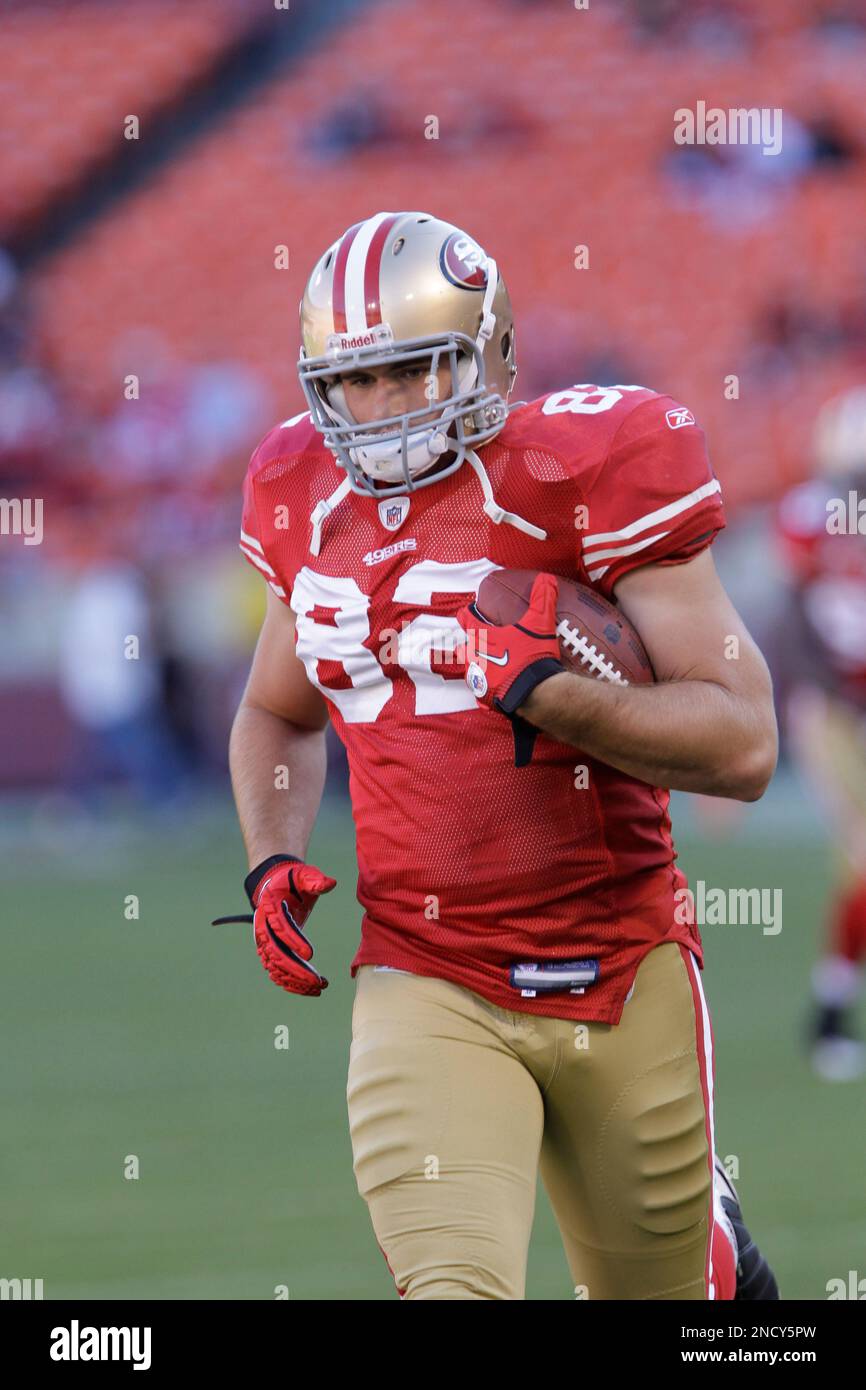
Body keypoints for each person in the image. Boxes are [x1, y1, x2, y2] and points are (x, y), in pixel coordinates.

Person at [217, 210, 779, 1300]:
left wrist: (555, 695)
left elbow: (744, 743)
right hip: (425, 968)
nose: (382, 407)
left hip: (620, 966)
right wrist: (270, 855)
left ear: (490, 351)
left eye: (412, 370)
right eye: (354, 381)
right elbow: (276, 713)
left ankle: (712, 1245)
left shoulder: (588, 466)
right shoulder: (299, 493)